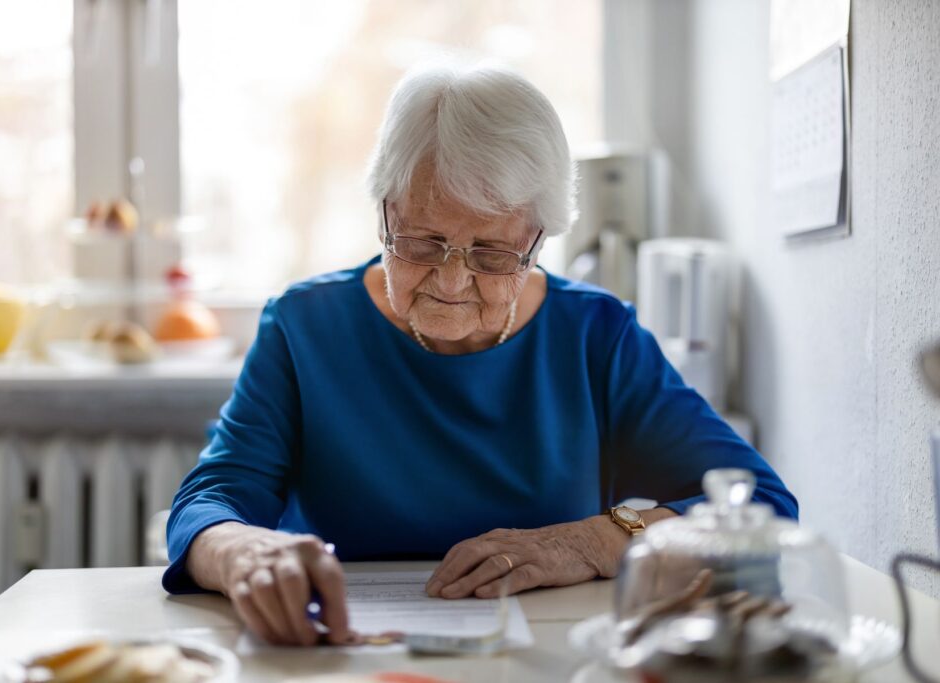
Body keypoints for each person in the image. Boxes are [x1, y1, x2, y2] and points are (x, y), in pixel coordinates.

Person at [163, 62, 798, 647]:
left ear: (538, 239)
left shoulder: (593, 333)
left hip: (545, 655)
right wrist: (242, 552)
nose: (449, 281)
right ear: (384, 212)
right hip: (346, 653)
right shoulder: (306, 326)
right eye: (420, 242)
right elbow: (214, 497)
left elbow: (762, 505)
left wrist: (596, 540)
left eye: (492, 254)